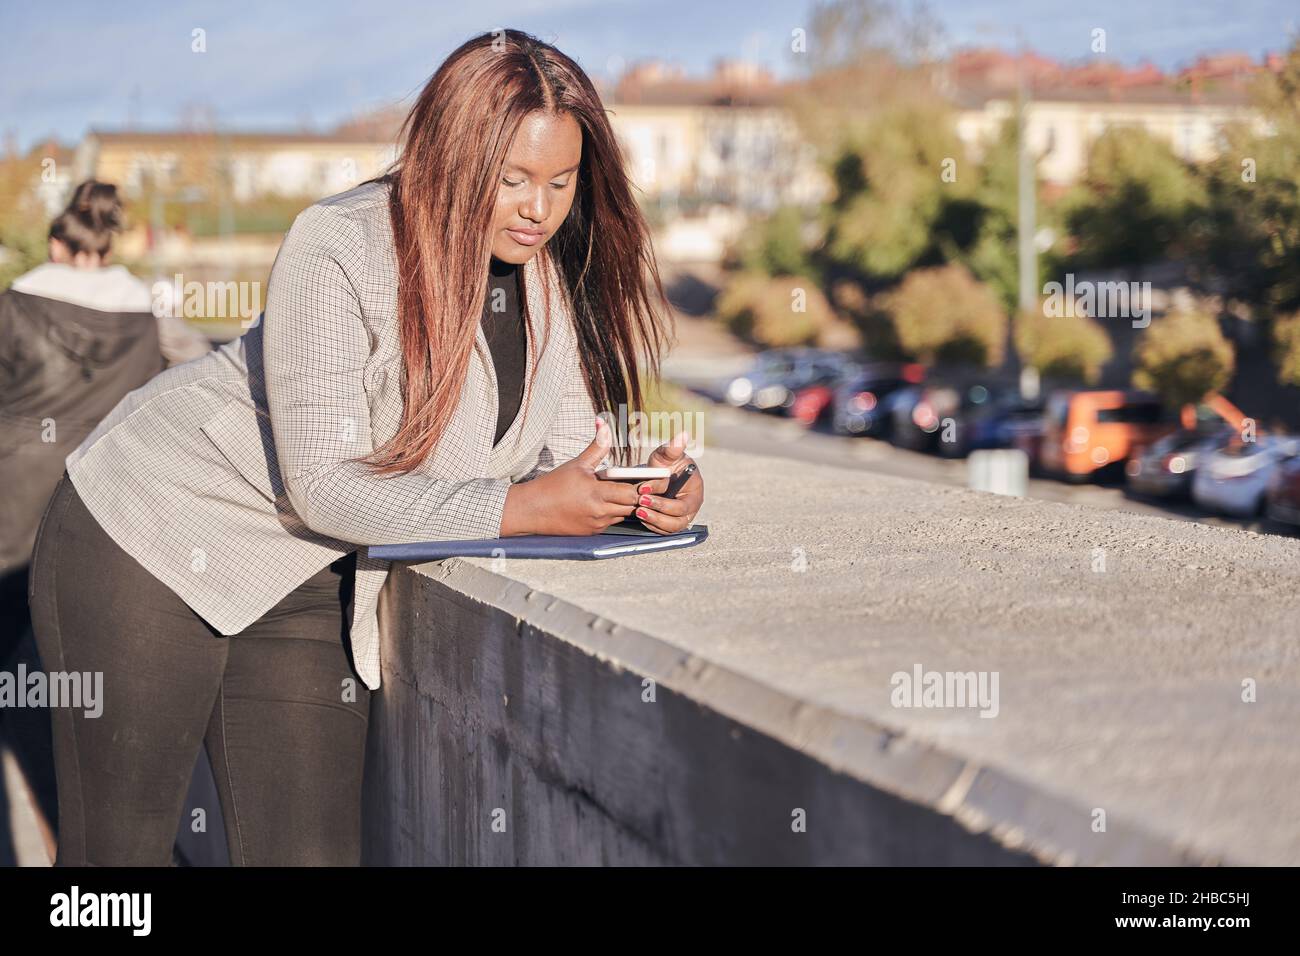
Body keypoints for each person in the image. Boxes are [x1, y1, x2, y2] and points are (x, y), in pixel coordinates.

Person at [26, 28, 705, 867]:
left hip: (312, 584)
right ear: (456, 158)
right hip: (152, 536)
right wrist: (521, 506)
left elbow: (566, 459)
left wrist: (645, 495)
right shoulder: (340, 244)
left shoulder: (544, 287)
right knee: (116, 860)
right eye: (514, 179)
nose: (541, 208)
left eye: (561, 182)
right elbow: (324, 482)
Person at [0, 179, 211, 862]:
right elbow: (204, 380)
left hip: (9, 524)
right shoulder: (149, 320)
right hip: (107, 520)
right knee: (91, 692)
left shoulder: (12, 310)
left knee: (18, 687)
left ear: (59, 244)